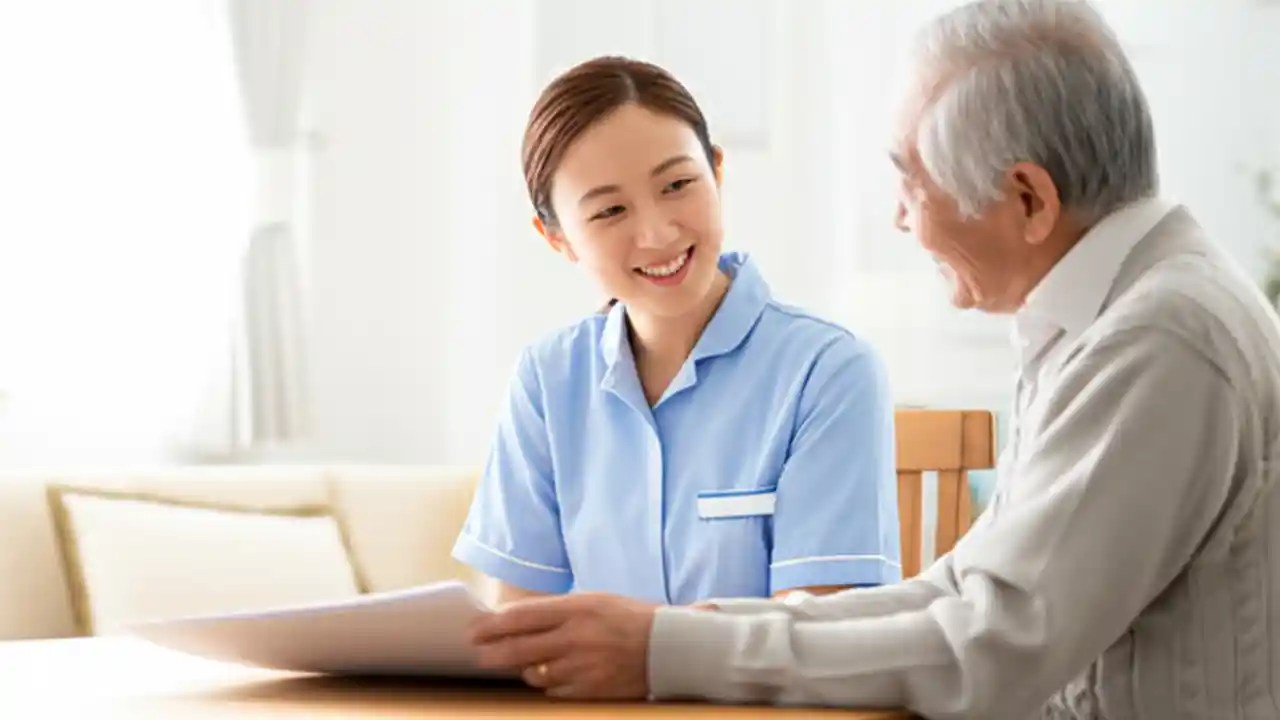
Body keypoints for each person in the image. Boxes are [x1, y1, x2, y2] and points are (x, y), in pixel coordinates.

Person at [465, 2, 1280, 717]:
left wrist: (659, 651)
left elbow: (988, 650)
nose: (897, 219)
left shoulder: (1160, 342)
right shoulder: (1103, 321)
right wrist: (671, 637)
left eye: (912, 184)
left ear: (1028, 200)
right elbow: (961, 595)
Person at [451, 56, 900, 609]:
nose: (658, 232)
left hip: (764, 700)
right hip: (583, 700)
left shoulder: (828, 371)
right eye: (610, 210)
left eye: (678, 184)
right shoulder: (547, 380)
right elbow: (516, 622)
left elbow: (817, 645)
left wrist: (641, 656)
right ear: (556, 238)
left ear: (717, 171)